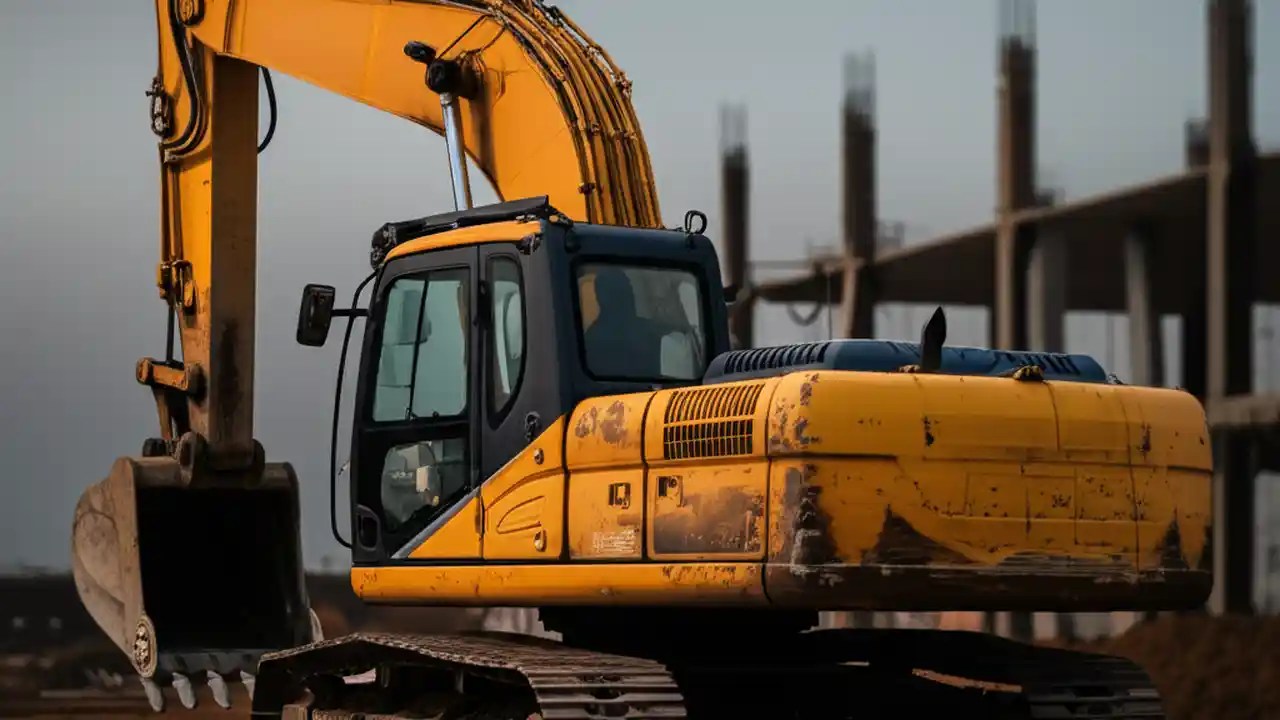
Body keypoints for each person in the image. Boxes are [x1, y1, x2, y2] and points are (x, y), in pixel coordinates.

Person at [583, 267, 664, 378]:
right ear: (604, 298)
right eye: (624, 291)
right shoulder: (594, 340)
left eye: (630, 289)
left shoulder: (648, 328)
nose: (631, 295)